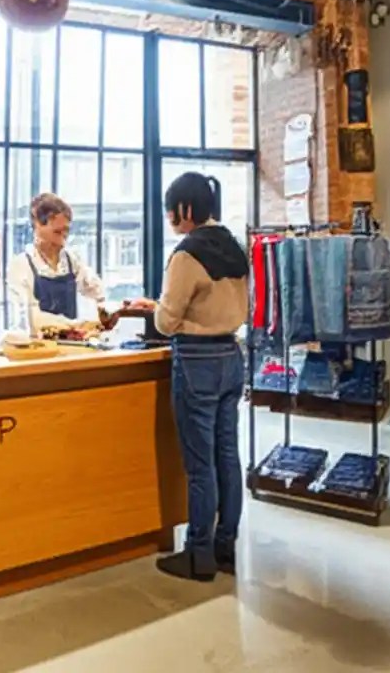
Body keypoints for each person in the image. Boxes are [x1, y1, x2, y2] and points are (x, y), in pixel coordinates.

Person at [130, 172, 249, 582]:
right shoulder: (234, 245)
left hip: (197, 361)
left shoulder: (186, 253)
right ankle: (225, 548)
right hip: (232, 355)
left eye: (170, 210)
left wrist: (155, 308)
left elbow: (165, 323)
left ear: (184, 210)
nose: (168, 218)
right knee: (228, 457)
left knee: (199, 466)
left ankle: (198, 555)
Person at [8, 193, 105, 334]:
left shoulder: (72, 261)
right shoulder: (21, 266)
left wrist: (104, 313)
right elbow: (31, 319)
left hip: (71, 348)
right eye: (57, 233)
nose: (62, 240)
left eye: (66, 232)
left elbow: (97, 291)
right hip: (38, 350)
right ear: (37, 226)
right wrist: (73, 325)